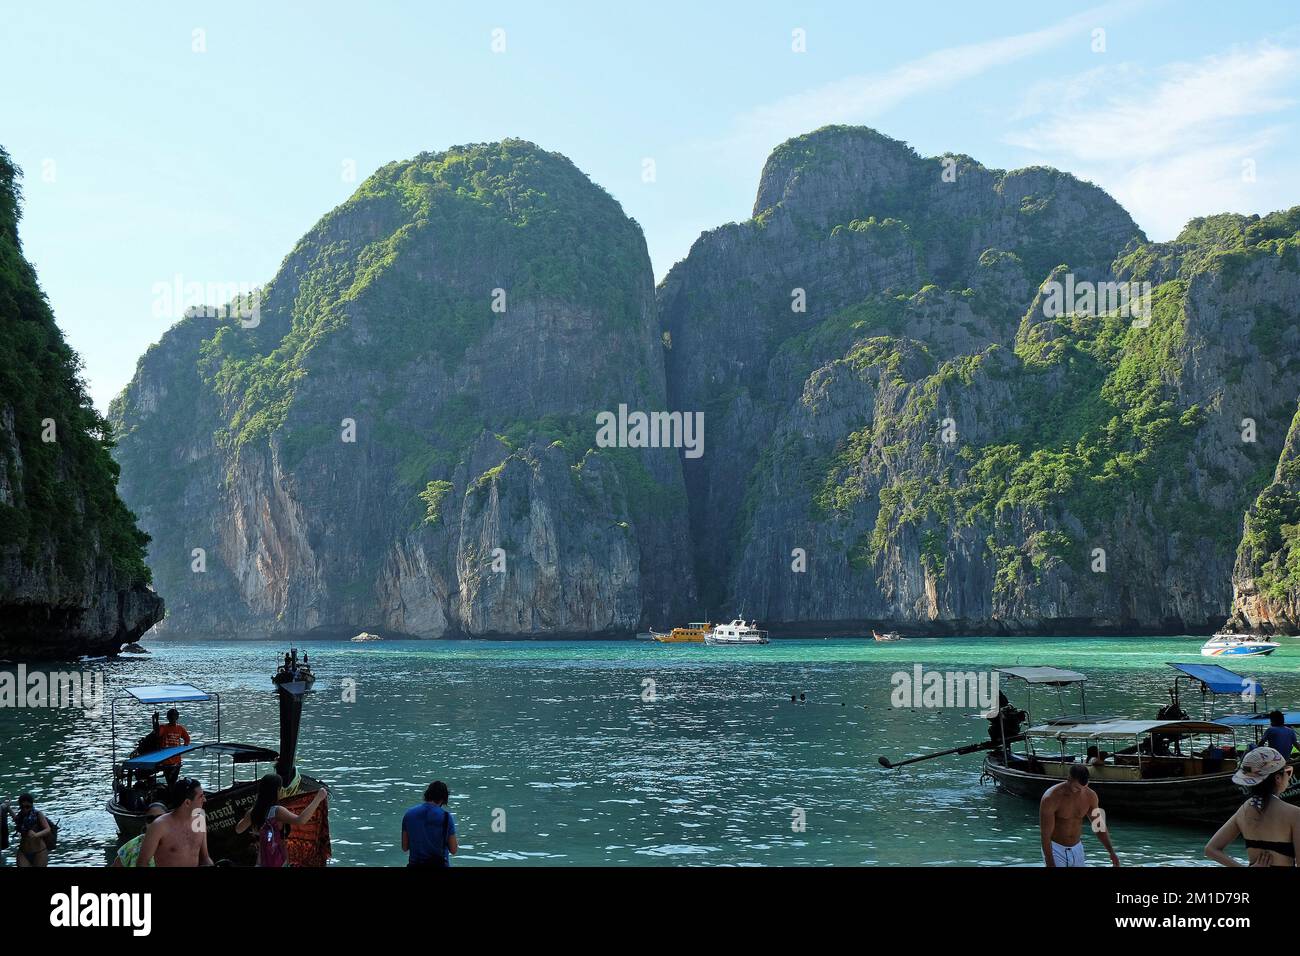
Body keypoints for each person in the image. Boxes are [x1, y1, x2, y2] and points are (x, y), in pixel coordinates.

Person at [1205, 747, 1300, 867]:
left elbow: (1211, 849)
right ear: (1278, 778)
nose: (1289, 776)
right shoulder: (1295, 814)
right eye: (1288, 772)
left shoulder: (1245, 809)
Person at [234, 773, 329, 867]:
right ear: (277, 790)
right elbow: (301, 820)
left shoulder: (253, 812)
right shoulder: (277, 811)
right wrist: (318, 798)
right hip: (277, 861)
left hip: (261, 862)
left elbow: (238, 829)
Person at [1039, 765, 1120, 867]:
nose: (1080, 790)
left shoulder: (1091, 796)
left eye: (1084, 787)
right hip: (1055, 849)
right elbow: (1045, 836)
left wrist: (1111, 852)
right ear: (1069, 778)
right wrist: (1050, 863)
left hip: (1077, 849)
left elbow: (1099, 826)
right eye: (1077, 788)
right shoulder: (1050, 798)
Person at [137, 778, 212, 867]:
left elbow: (205, 858)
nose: (205, 800)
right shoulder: (159, 826)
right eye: (201, 797)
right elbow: (142, 863)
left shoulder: (199, 820)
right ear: (187, 803)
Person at [401, 780, 458, 867]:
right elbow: (453, 850)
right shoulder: (446, 817)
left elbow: (405, 847)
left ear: (427, 794)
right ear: (443, 798)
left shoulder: (409, 814)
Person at [2, 794, 52, 867]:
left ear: (32, 805)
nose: (25, 809)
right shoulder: (21, 815)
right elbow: (16, 820)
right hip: (23, 852)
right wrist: (8, 808)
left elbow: (47, 829)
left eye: (28, 807)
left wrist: (36, 835)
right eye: (22, 807)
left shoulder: (38, 814)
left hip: (39, 851)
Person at [110, 803, 167, 867]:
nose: (155, 822)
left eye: (160, 818)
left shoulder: (174, 842)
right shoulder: (132, 846)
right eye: (150, 819)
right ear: (145, 823)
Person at [158, 709, 191, 786]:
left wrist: (184, 747)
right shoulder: (163, 727)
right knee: (170, 781)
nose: (173, 719)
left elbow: (187, 739)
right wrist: (156, 726)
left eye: (174, 717)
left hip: (177, 759)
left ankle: (172, 791)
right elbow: (158, 735)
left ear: (177, 717)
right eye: (171, 717)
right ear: (168, 718)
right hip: (166, 759)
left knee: (173, 780)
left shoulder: (180, 728)